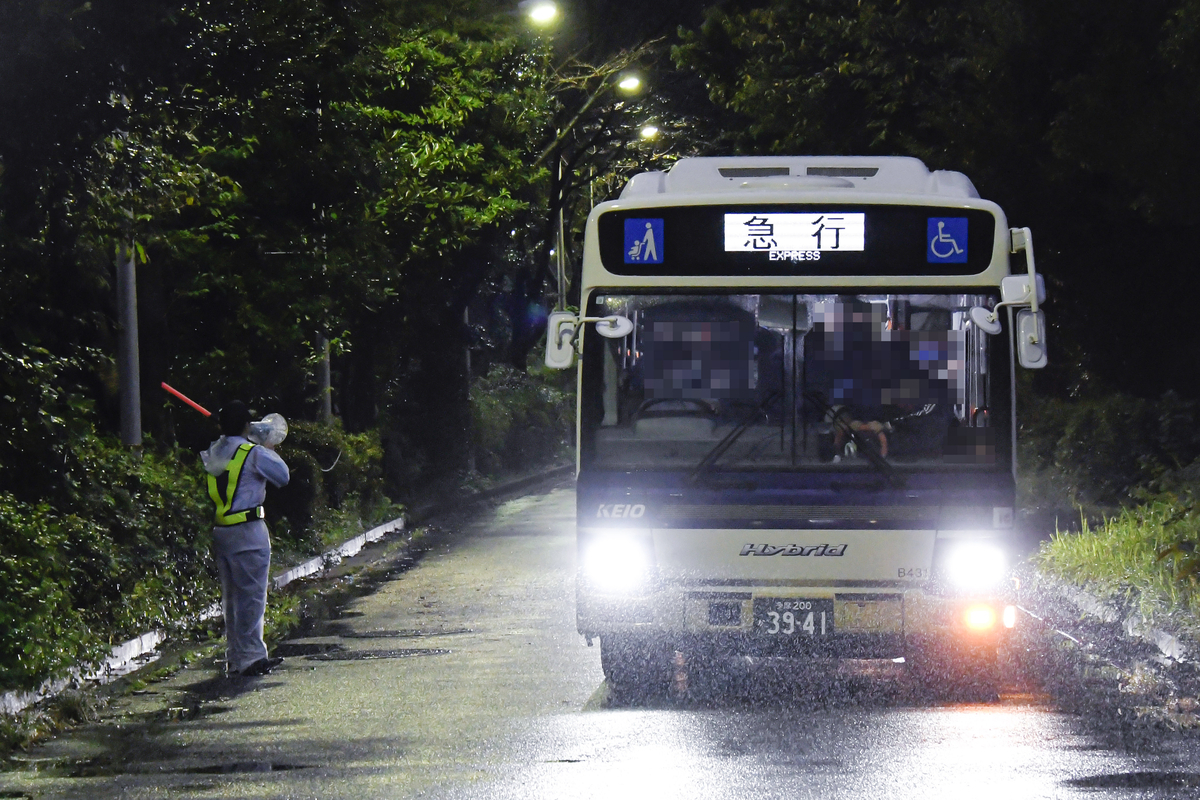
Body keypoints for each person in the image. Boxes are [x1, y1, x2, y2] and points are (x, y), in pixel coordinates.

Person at [201, 401, 290, 677]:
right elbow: (283, 476)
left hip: (222, 532)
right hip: (249, 531)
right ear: (247, 426)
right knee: (251, 597)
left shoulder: (214, 451)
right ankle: (251, 657)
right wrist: (267, 447)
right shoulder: (252, 454)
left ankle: (236, 657)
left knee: (231, 600)